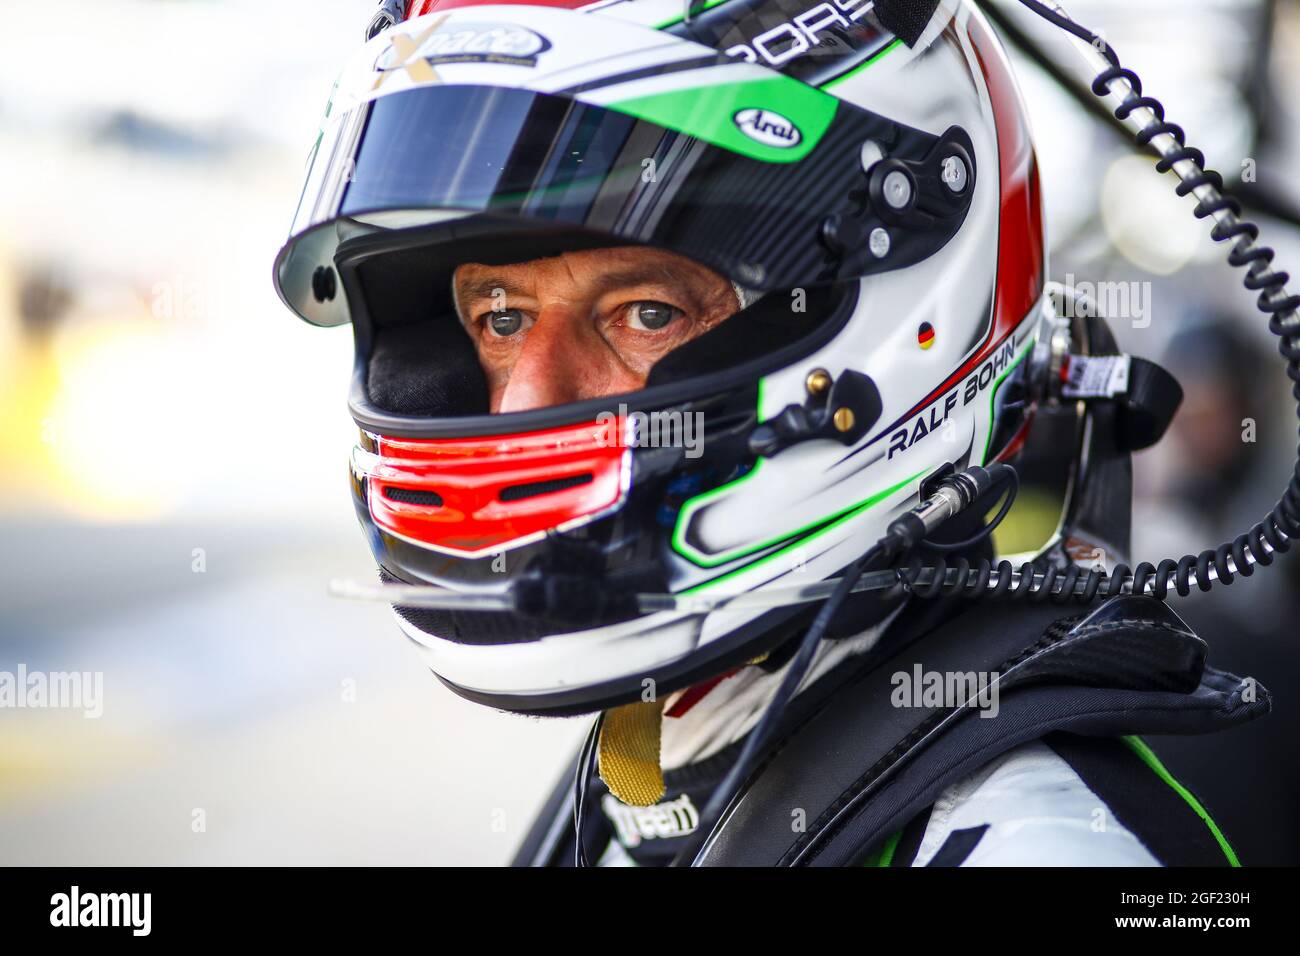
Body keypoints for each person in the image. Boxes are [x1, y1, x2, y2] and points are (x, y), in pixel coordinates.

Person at [274, 0, 1266, 866]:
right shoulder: (667, 757)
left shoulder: (1035, 844)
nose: (523, 402)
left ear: (901, 319)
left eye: (647, 313)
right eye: (497, 317)